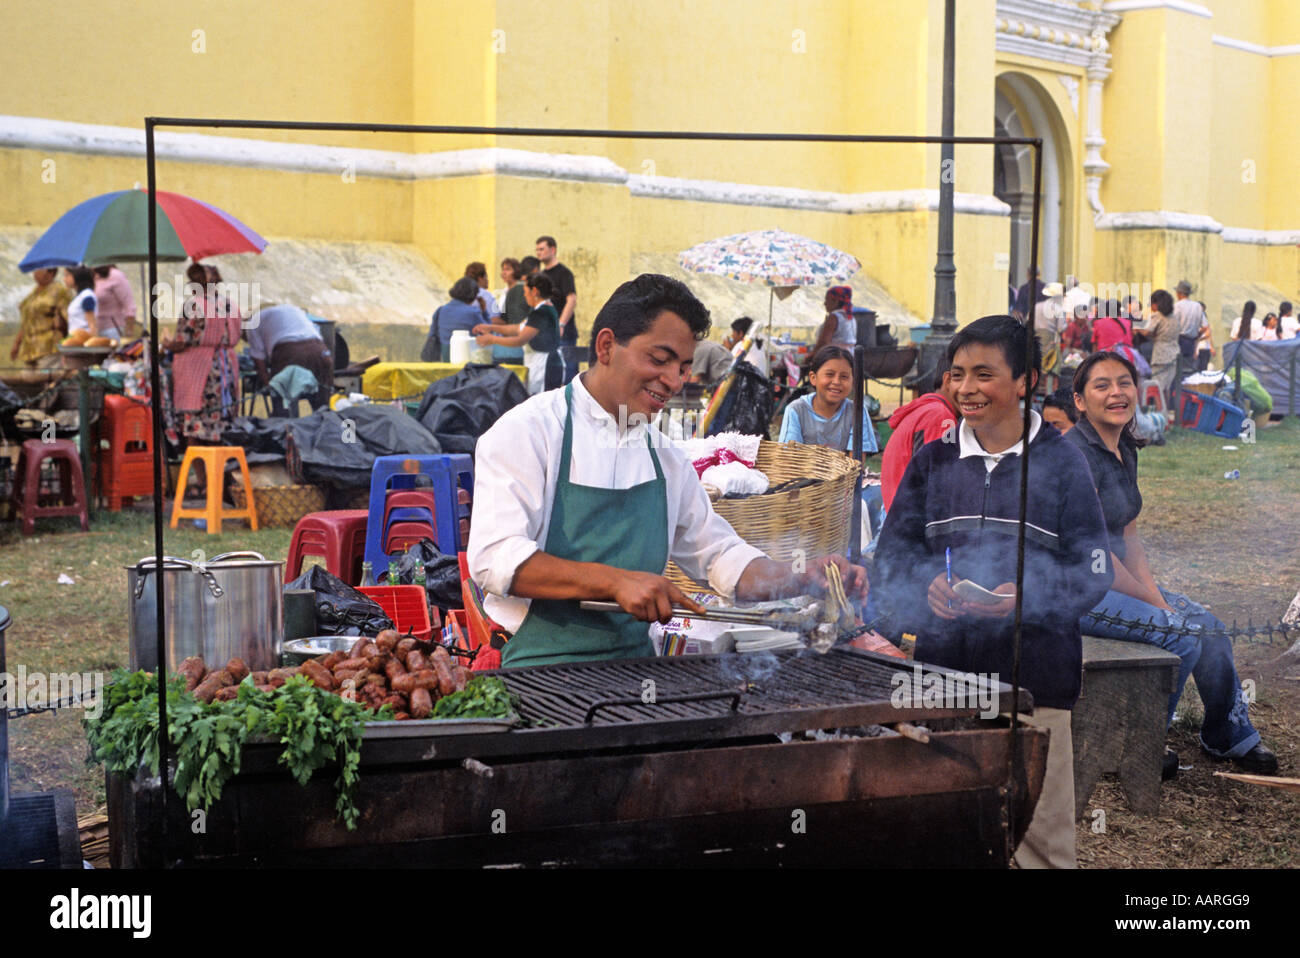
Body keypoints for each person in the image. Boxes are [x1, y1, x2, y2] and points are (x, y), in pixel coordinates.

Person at [467, 273, 867, 668]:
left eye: (683, 367)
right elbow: (493, 557)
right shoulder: (528, 432)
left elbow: (721, 556)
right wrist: (615, 581)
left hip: (635, 666)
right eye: (659, 360)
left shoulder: (665, 456)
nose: (674, 380)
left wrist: (799, 575)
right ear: (606, 346)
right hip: (538, 668)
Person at [873, 315, 1112, 869]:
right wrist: (923, 583)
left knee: (1040, 840)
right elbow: (893, 556)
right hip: (946, 676)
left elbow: (1094, 568)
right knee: (952, 829)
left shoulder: (1061, 461)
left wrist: (1025, 597)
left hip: (1035, 681)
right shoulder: (934, 461)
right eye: (957, 374)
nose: (966, 389)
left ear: (1026, 379)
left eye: (984, 374)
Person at [1068, 351, 1277, 777]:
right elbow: (1098, 557)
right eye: (1101, 385)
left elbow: (1128, 537)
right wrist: (1155, 604)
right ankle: (1132, 749)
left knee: (1210, 627)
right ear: (1079, 400)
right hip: (1077, 591)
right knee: (1181, 634)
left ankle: (1228, 734)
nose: (1116, 393)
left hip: (1116, 583)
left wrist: (1156, 595)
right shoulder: (1074, 456)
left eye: (1124, 383)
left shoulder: (1125, 446)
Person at [162, 261, 241, 445]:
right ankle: (219, 471)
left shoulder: (194, 305)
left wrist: (167, 343)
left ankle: (201, 474)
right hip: (226, 368)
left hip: (200, 373)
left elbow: (182, 342)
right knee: (221, 425)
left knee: (195, 428)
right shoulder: (230, 304)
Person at [879, 354, 958, 512]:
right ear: (948, 380)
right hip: (908, 520)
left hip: (894, 511)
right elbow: (936, 480)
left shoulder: (927, 409)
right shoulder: (941, 416)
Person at [473, 272, 561, 395]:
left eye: (525, 292)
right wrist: (490, 327)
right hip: (539, 363)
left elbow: (520, 339)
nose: (525, 296)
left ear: (534, 291)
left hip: (545, 365)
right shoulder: (541, 310)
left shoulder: (542, 312)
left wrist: (492, 339)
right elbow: (517, 329)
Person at [778, 346, 878, 453]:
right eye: (829, 374)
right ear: (813, 378)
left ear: (852, 381)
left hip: (845, 470)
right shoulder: (796, 410)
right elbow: (788, 457)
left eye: (844, 376)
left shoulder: (857, 412)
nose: (836, 382)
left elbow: (856, 464)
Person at [243, 302, 332, 413]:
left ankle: (288, 429)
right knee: (322, 408)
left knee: (285, 411)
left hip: (291, 354)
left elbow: (259, 361)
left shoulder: (252, 323)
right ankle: (327, 428)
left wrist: (270, 385)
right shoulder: (292, 309)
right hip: (321, 352)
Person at [535, 235, 578, 382]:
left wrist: (560, 324)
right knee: (550, 376)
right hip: (546, 336)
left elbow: (571, 300)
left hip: (564, 334)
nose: (538, 253)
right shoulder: (540, 276)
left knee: (569, 374)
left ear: (552, 249)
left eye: (542, 249)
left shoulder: (564, 273)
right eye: (537, 250)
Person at [10, 267, 70, 368]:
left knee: (47, 380)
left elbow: (70, 319)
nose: (34, 273)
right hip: (29, 349)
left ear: (50, 272)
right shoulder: (34, 293)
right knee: (27, 381)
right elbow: (27, 321)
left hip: (49, 348)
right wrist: (17, 343)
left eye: (38, 270)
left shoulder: (59, 291)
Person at [423, 277, 482, 362]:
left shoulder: (440, 310)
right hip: (467, 359)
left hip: (446, 358)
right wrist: (484, 312)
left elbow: (432, 334)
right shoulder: (473, 312)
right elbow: (488, 331)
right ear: (473, 295)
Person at [1146, 289, 1180, 406]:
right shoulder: (1174, 318)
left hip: (1160, 354)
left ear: (1156, 303)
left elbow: (1146, 332)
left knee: (1157, 387)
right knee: (1167, 388)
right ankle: (1165, 414)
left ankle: (1161, 413)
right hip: (1174, 354)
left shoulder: (1157, 316)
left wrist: (1136, 328)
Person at [491, 257, 527, 363]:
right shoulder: (504, 292)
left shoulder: (521, 290)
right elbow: (505, 319)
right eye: (503, 269)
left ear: (516, 271)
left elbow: (517, 319)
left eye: (508, 269)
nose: (504, 273)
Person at [92, 265, 136, 341]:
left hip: (112, 329)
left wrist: (129, 333)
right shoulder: (89, 276)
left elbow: (129, 305)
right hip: (92, 330)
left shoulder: (115, 275)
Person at [812, 286, 857, 355]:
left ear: (836, 301)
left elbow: (823, 342)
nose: (825, 303)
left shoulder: (834, 317)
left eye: (827, 300)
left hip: (835, 355)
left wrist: (811, 355)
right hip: (851, 355)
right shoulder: (851, 318)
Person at [1173, 280, 1207, 364]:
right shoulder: (1197, 306)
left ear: (1179, 293)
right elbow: (1205, 327)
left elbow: (1172, 324)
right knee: (1189, 367)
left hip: (1179, 340)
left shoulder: (1177, 306)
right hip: (1191, 341)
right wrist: (1197, 336)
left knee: (1178, 367)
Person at [63, 265, 98, 338]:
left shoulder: (87, 296)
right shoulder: (80, 296)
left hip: (83, 340)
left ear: (77, 276)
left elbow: (92, 324)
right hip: (76, 339)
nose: (64, 279)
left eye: (67, 275)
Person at [1195, 300, 1214, 370]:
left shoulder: (1204, 318)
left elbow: (1208, 334)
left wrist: (1211, 347)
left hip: (1204, 347)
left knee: (1203, 368)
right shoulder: (1194, 318)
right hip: (1198, 348)